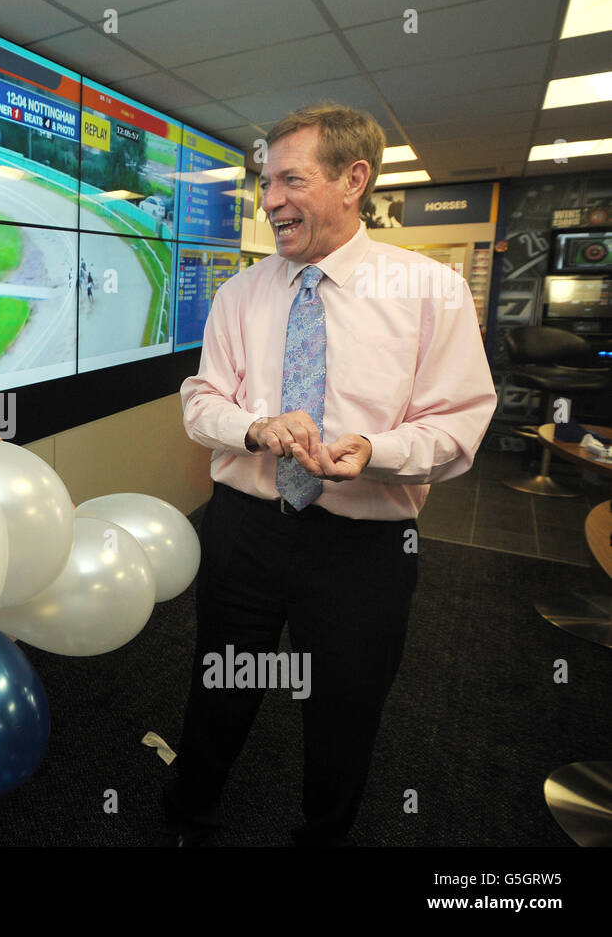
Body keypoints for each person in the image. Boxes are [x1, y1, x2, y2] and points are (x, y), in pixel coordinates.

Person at [161, 102, 496, 847]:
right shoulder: (240, 293)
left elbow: (458, 423)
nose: (269, 199)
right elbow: (200, 400)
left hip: (364, 550)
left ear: (354, 180)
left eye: (289, 179)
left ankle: (323, 834)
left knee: (345, 706)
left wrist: (373, 452)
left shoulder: (430, 292)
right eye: (265, 182)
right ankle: (189, 807)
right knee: (221, 680)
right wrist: (254, 426)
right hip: (246, 529)